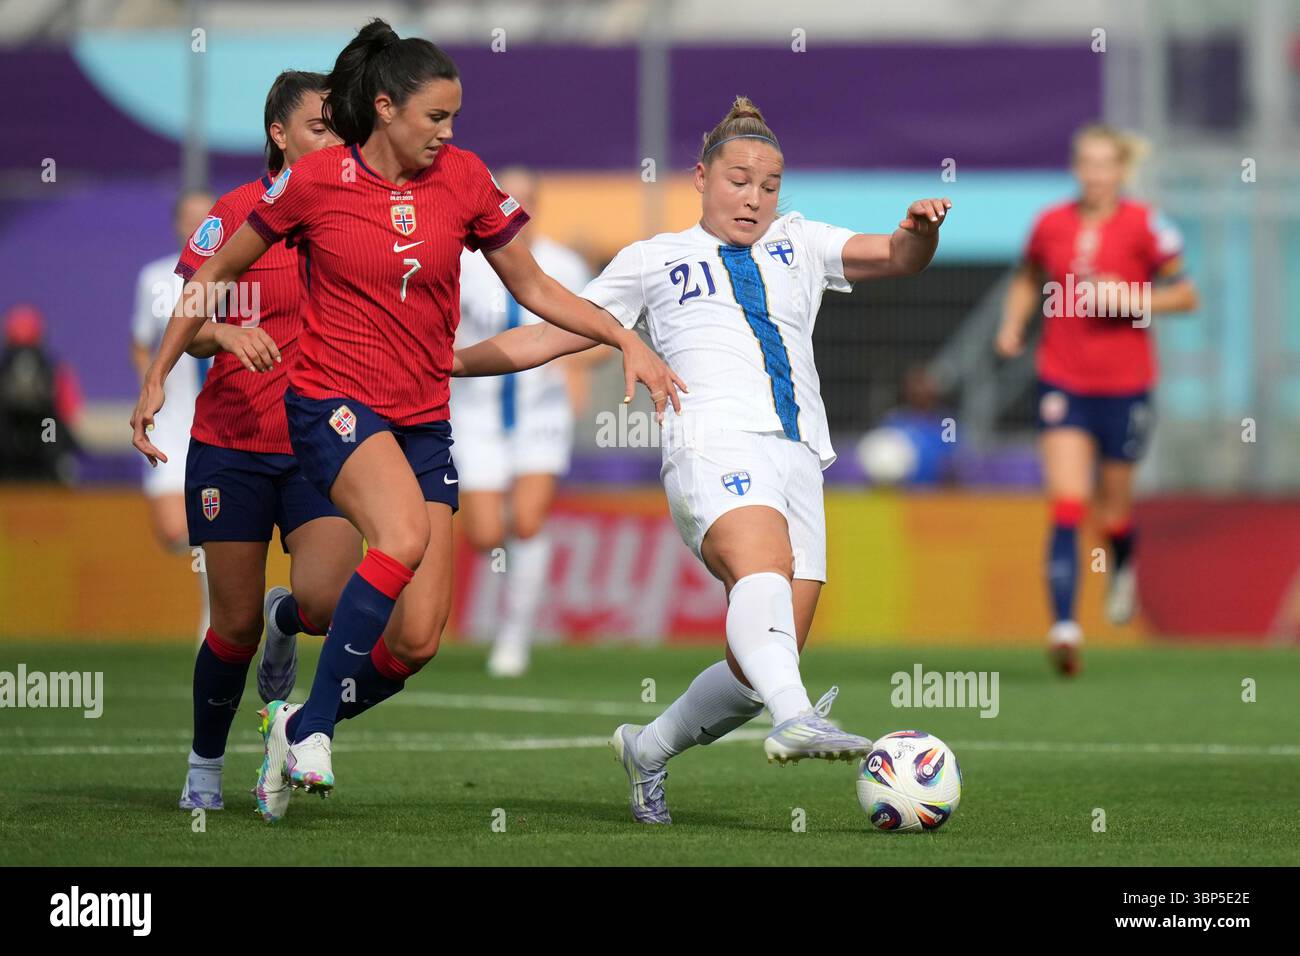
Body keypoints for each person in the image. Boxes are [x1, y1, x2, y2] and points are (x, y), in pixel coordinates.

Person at [130, 18, 684, 816]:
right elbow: (211, 273)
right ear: (386, 108)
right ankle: (260, 747)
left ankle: (298, 724)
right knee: (383, 547)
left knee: (418, 636)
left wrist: (621, 335)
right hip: (327, 408)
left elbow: (534, 289)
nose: (448, 133)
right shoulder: (314, 185)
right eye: (436, 117)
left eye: (455, 118)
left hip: (421, 420)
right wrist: (158, 374)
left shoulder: (462, 178)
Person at [454, 96, 951, 824]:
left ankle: (646, 749)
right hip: (710, 442)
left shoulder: (801, 243)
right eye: (739, 179)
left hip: (800, 458)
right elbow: (550, 336)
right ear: (700, 177)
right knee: (762, 580)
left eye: (769, 184)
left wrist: (919, 232)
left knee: (758, 667)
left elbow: (901, 259)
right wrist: (444, 363)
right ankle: (799, 715)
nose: (754, 197)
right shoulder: (653, 260)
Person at [171, 71, 367, 817]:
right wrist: (222, 330)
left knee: (319, 603)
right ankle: (205, 761)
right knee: (232, 624)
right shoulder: (233, 215)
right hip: (234, 443)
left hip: (319, 444)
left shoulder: (352, 215)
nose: (335, 141)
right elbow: (185, 322)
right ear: (280, 135)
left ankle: (289, 626)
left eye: (341, 130)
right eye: (319, 127)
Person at [995, 123, 1198, 675]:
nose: (1095, 174)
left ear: (1120, 170)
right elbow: (1026, 276)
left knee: (1113, 510)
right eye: (1086, 162)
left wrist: (1131, 296)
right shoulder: (1050, 224)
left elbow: (1187, 294)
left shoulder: (1146, 225)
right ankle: (1064, 626)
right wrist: (1014, 324)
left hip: (1127, 387)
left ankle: (1124, 561)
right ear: (1076, 167)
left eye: (1105, 164)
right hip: (1063, 382)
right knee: (1066, 501)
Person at [451, 166, 605, 677]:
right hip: (475, 412)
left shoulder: (564, 264)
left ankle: (514, 635)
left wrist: (575, 368)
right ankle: (508, 606)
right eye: (506, 199)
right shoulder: (463, 265)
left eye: (524, 199)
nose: (514, 208)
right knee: (482, 531)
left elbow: (598, 333)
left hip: (541, 412)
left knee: (530, 518)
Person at [130, 187, 215, 642]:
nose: (198, 225)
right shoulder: (156, 278)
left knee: (217, 525)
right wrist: (150, 385)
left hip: (223, 421)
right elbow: (142, 340)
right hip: (174, 422)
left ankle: (214, 620)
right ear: (177, 223)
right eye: (190, 217)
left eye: (208, 217)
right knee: (174, 530)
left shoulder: (242, 270)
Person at [0, 304, 82, 483]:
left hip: (45, 450)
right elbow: (70, 414)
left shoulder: (57, 373)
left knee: (52, 431)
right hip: (11, 455)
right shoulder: (58, 371)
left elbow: (65, 418)